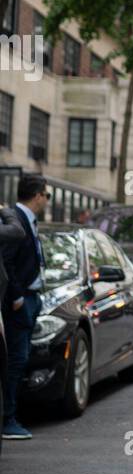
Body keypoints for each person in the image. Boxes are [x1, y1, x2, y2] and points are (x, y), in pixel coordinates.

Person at [2, 173, 50, 441]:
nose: (47, 200)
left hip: (32, 298)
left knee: (21, 358)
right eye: (47, 195)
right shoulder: (15, 220)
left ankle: (13, 415)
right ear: (37, 196)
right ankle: (8, 419)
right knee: (15, 360)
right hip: (20, 302)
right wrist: (17, 297)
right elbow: (6, 261)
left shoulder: (27, 220)